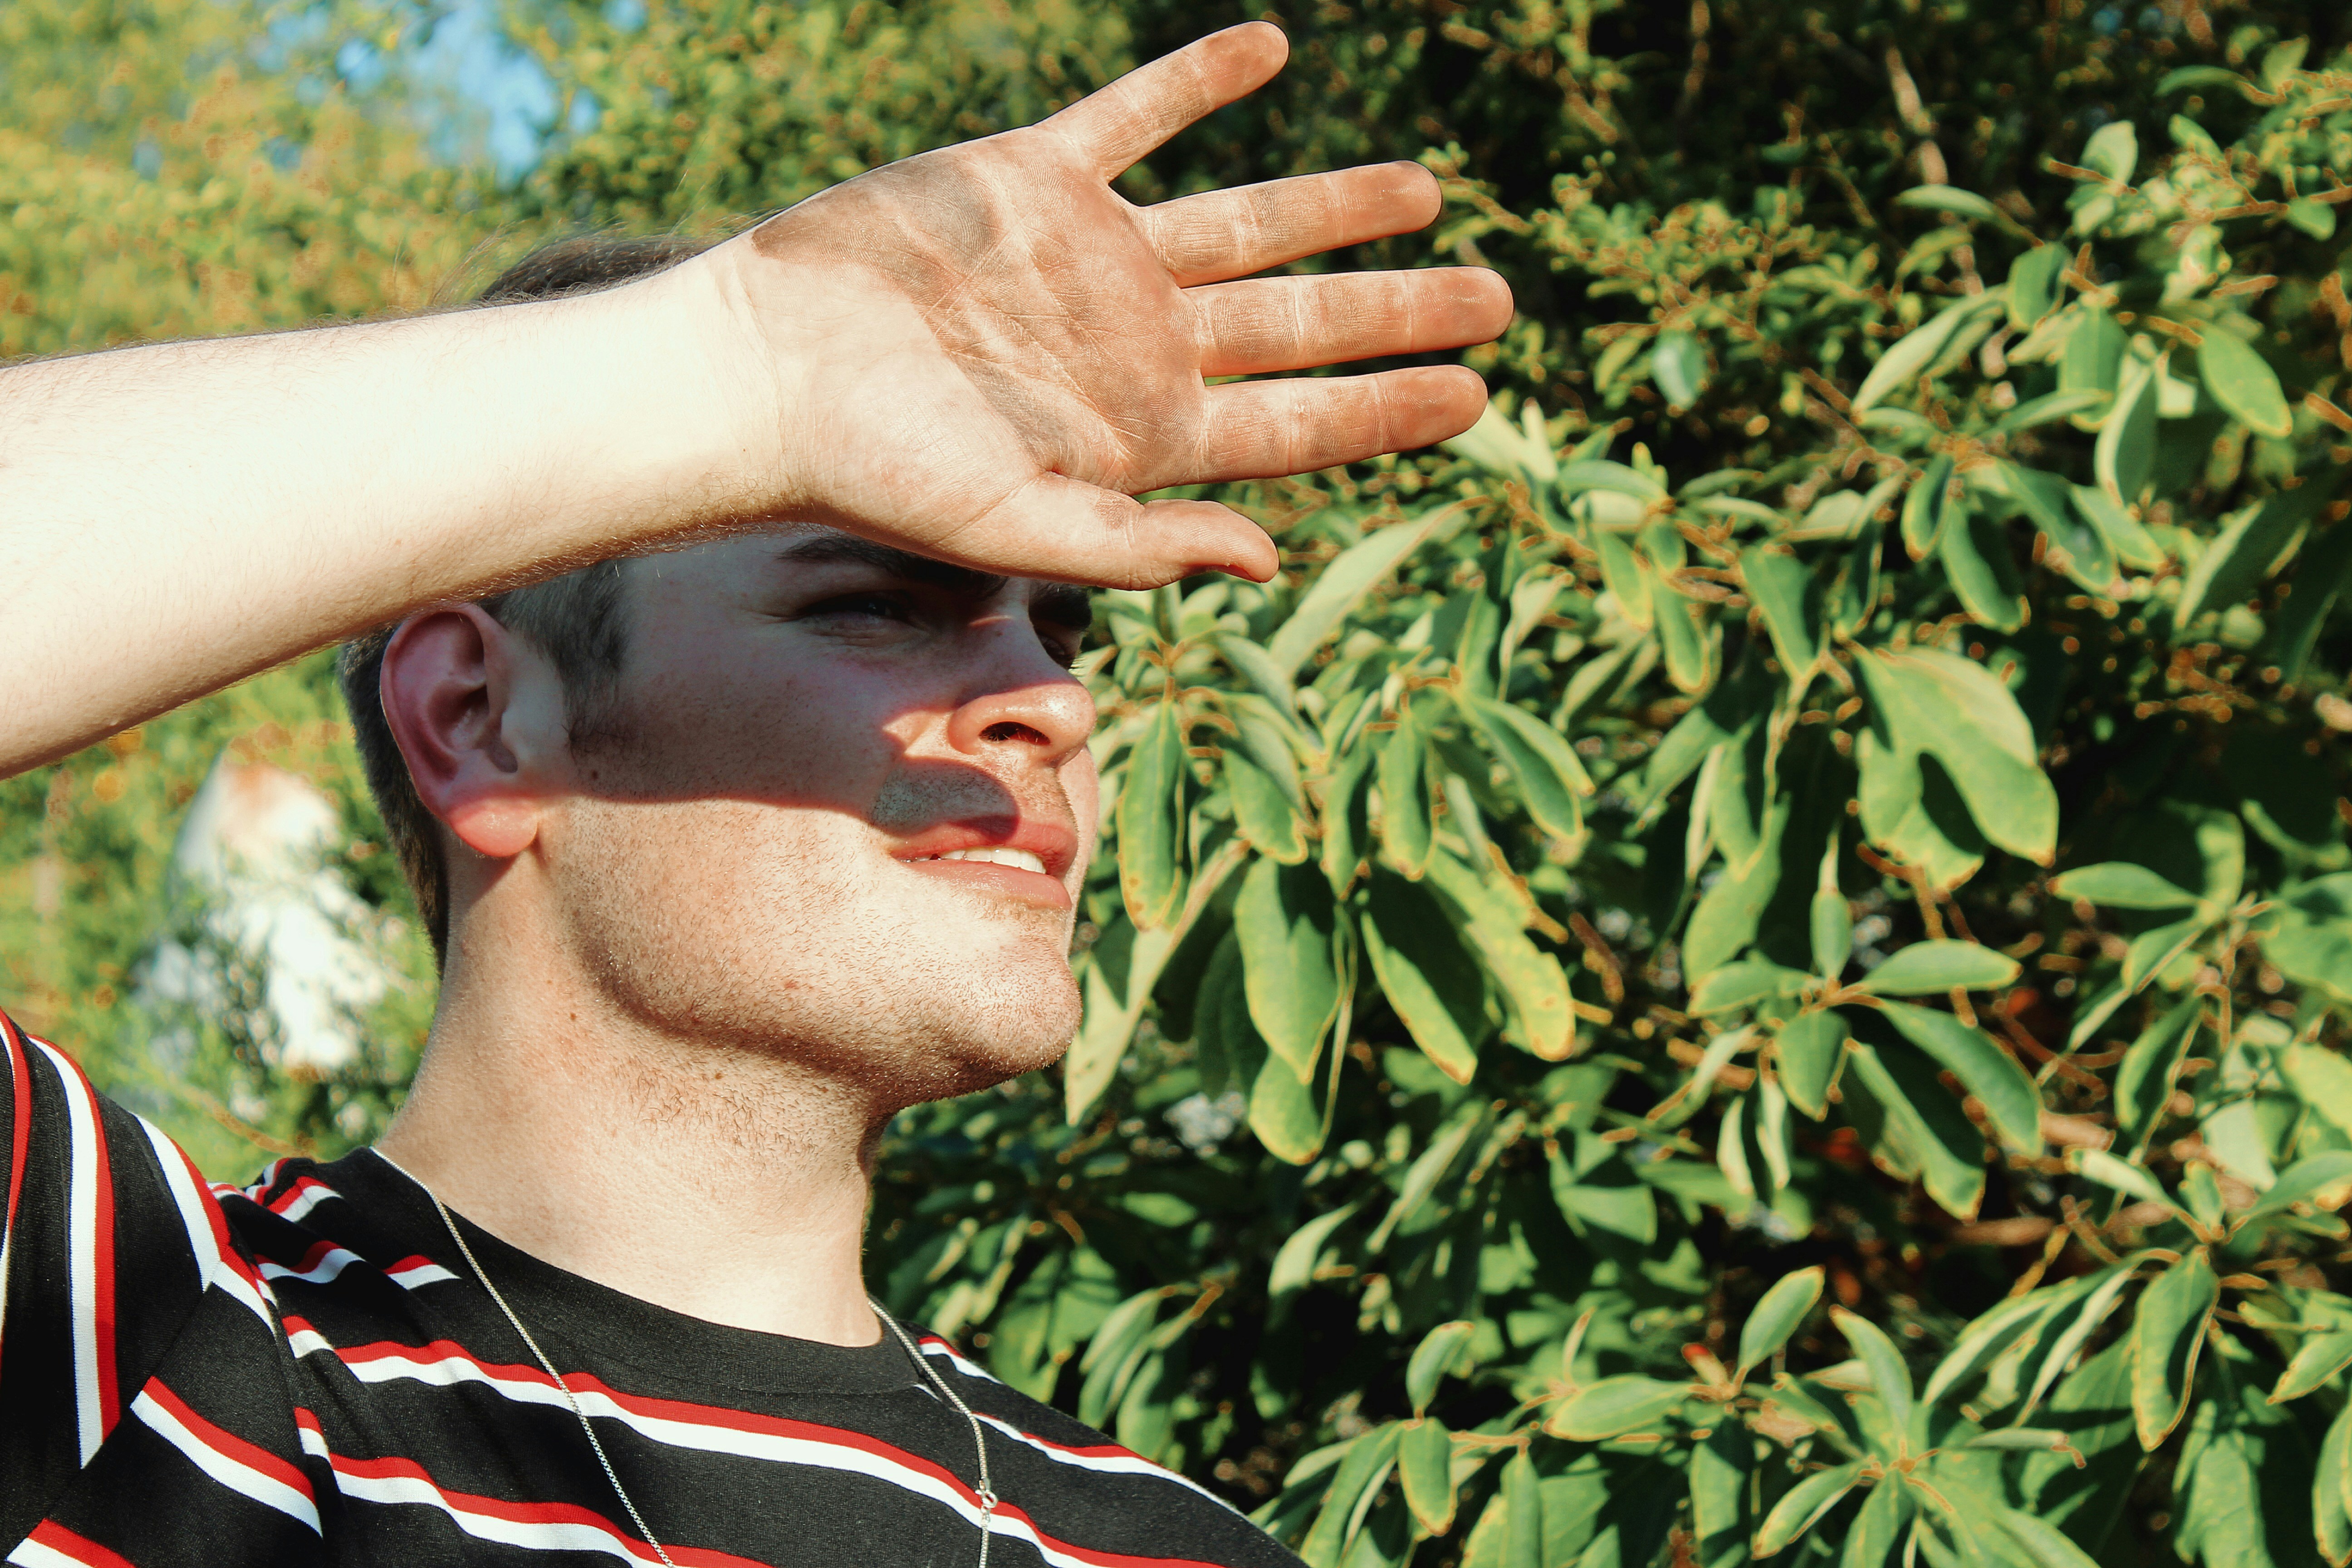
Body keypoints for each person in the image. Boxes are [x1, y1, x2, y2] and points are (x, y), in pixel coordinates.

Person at [0, 22, 1509, 1565]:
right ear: (477, 718)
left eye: (1066, 627)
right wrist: (739, 358)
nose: (1054, 701)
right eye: (873, 601)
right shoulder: (140, 1358)